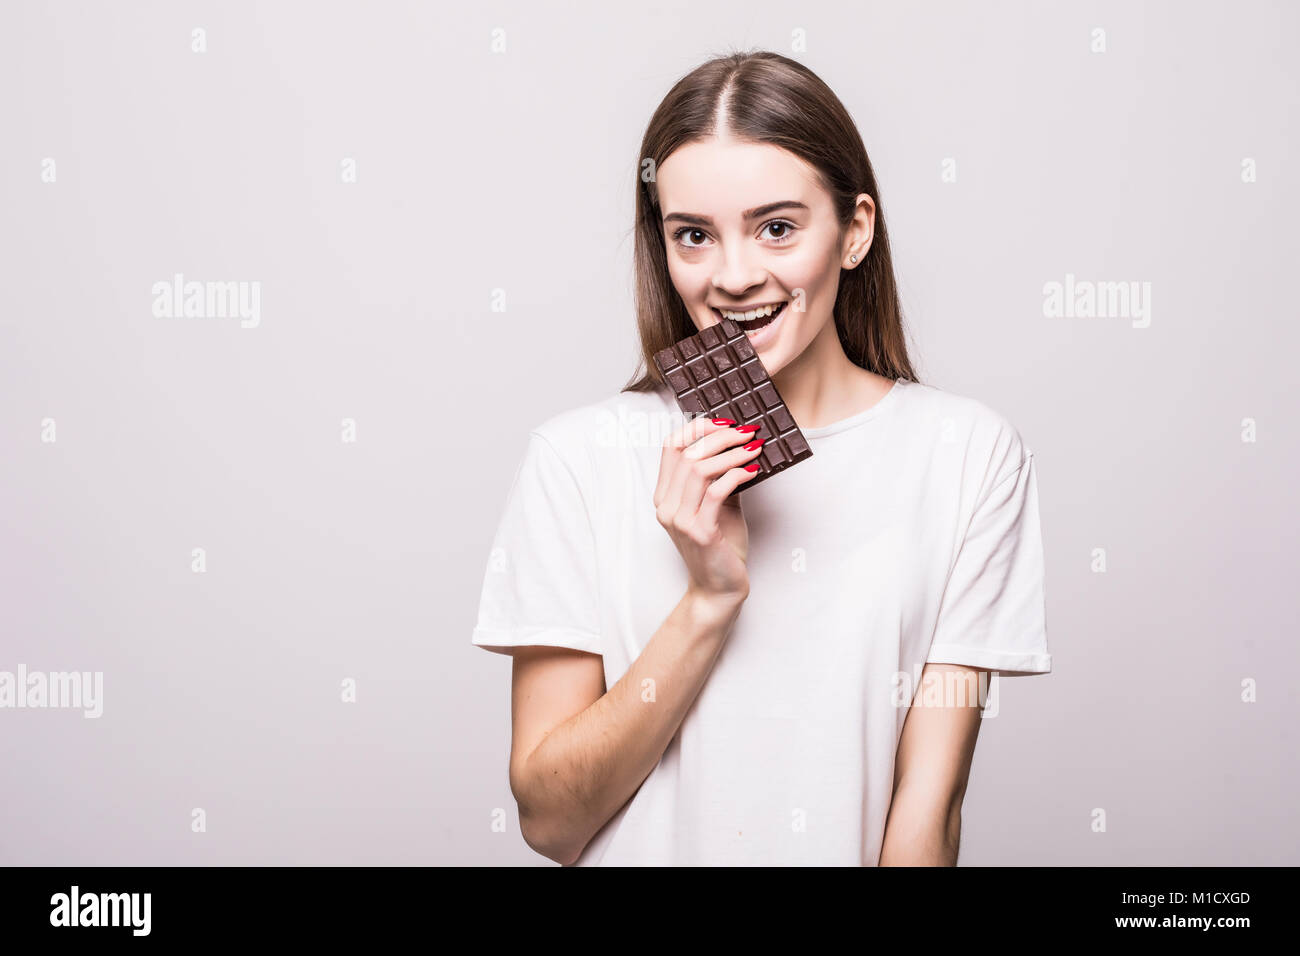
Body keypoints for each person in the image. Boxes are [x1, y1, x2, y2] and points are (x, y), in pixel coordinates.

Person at [470, 49, 1052, 866]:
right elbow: (550, 822)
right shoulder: (577, 459)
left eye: (777, 227)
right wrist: (708, 598)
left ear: (854, 231)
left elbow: (928, 813)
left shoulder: (967, 456)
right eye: (695, 236)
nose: (736, 276)